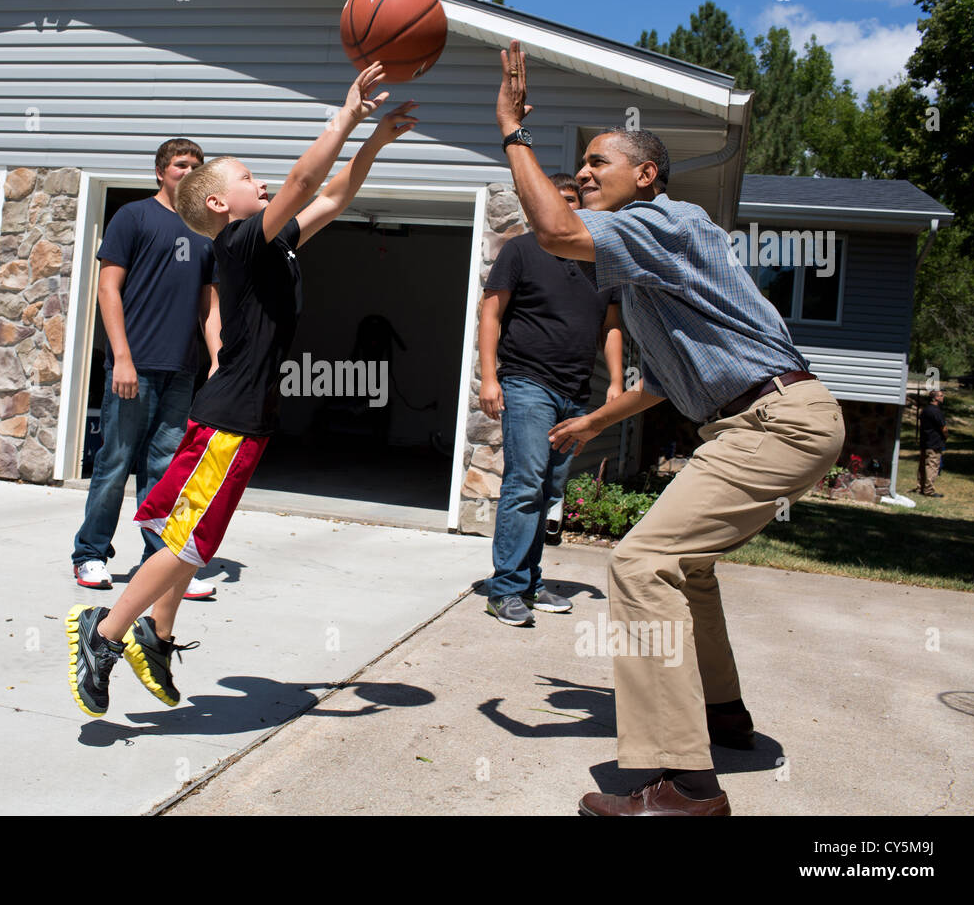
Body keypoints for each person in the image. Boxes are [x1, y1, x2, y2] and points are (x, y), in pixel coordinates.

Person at [497, 40, 844, 815]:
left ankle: (684, 784)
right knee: (685, 568)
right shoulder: (650, 264)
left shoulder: (667, 222)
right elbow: (662, 381)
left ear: (645, 175)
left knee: (638, 565)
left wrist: (513, 133)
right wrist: (592, 419)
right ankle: (722, 716)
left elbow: (552, 233)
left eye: (598, 163)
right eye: (580, 164)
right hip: (773, 417)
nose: (583, 174)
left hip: (774, 421)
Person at [65, 64, 418, 716]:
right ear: (222, 206)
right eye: (246, 178)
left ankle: (158, 635)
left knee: (193, 539)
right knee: (188, 541)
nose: (260, 182)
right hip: (230, 418)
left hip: (241, 419)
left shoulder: (273, 244)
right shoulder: (237, 242)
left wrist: (374, 143)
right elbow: (304, 179)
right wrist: (346, 116)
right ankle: (104, 633)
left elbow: (332, 197)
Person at [70, 138, 224, 597]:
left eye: (197, 166)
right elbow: (108, 288)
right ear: (161, 172)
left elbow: (208, 304)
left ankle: (159, 566)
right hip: (132, 367)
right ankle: (91, 555)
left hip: (181, 370)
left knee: (166, 470)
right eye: (181, 164)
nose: (189, 171)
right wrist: (121, 357)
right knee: (114, 463)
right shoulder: (133, 217)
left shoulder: (206, 231)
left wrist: (217, 359)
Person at [478, 173, 624, 626]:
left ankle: (529, 582)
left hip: (576, 393)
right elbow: (492, 312)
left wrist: (616, 382)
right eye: (557, 200)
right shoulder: (521, 250)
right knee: (525, 483)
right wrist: (488, 377)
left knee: (548, 491)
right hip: (527, 383)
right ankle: (504, 590)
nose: (565, 207)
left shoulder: (602, 262)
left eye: (573, 200)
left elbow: (612, 326)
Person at [918, 389, 946, 497]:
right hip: (934, 443)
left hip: (925, 441)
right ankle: (929, 490)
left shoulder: (925, 410)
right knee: (932, 466)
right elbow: (943, 428)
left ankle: (920, 487)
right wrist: (946, 436)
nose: (943, 397)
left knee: (922, 466)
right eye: (941, 395)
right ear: (936, 398)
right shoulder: (936, 411)